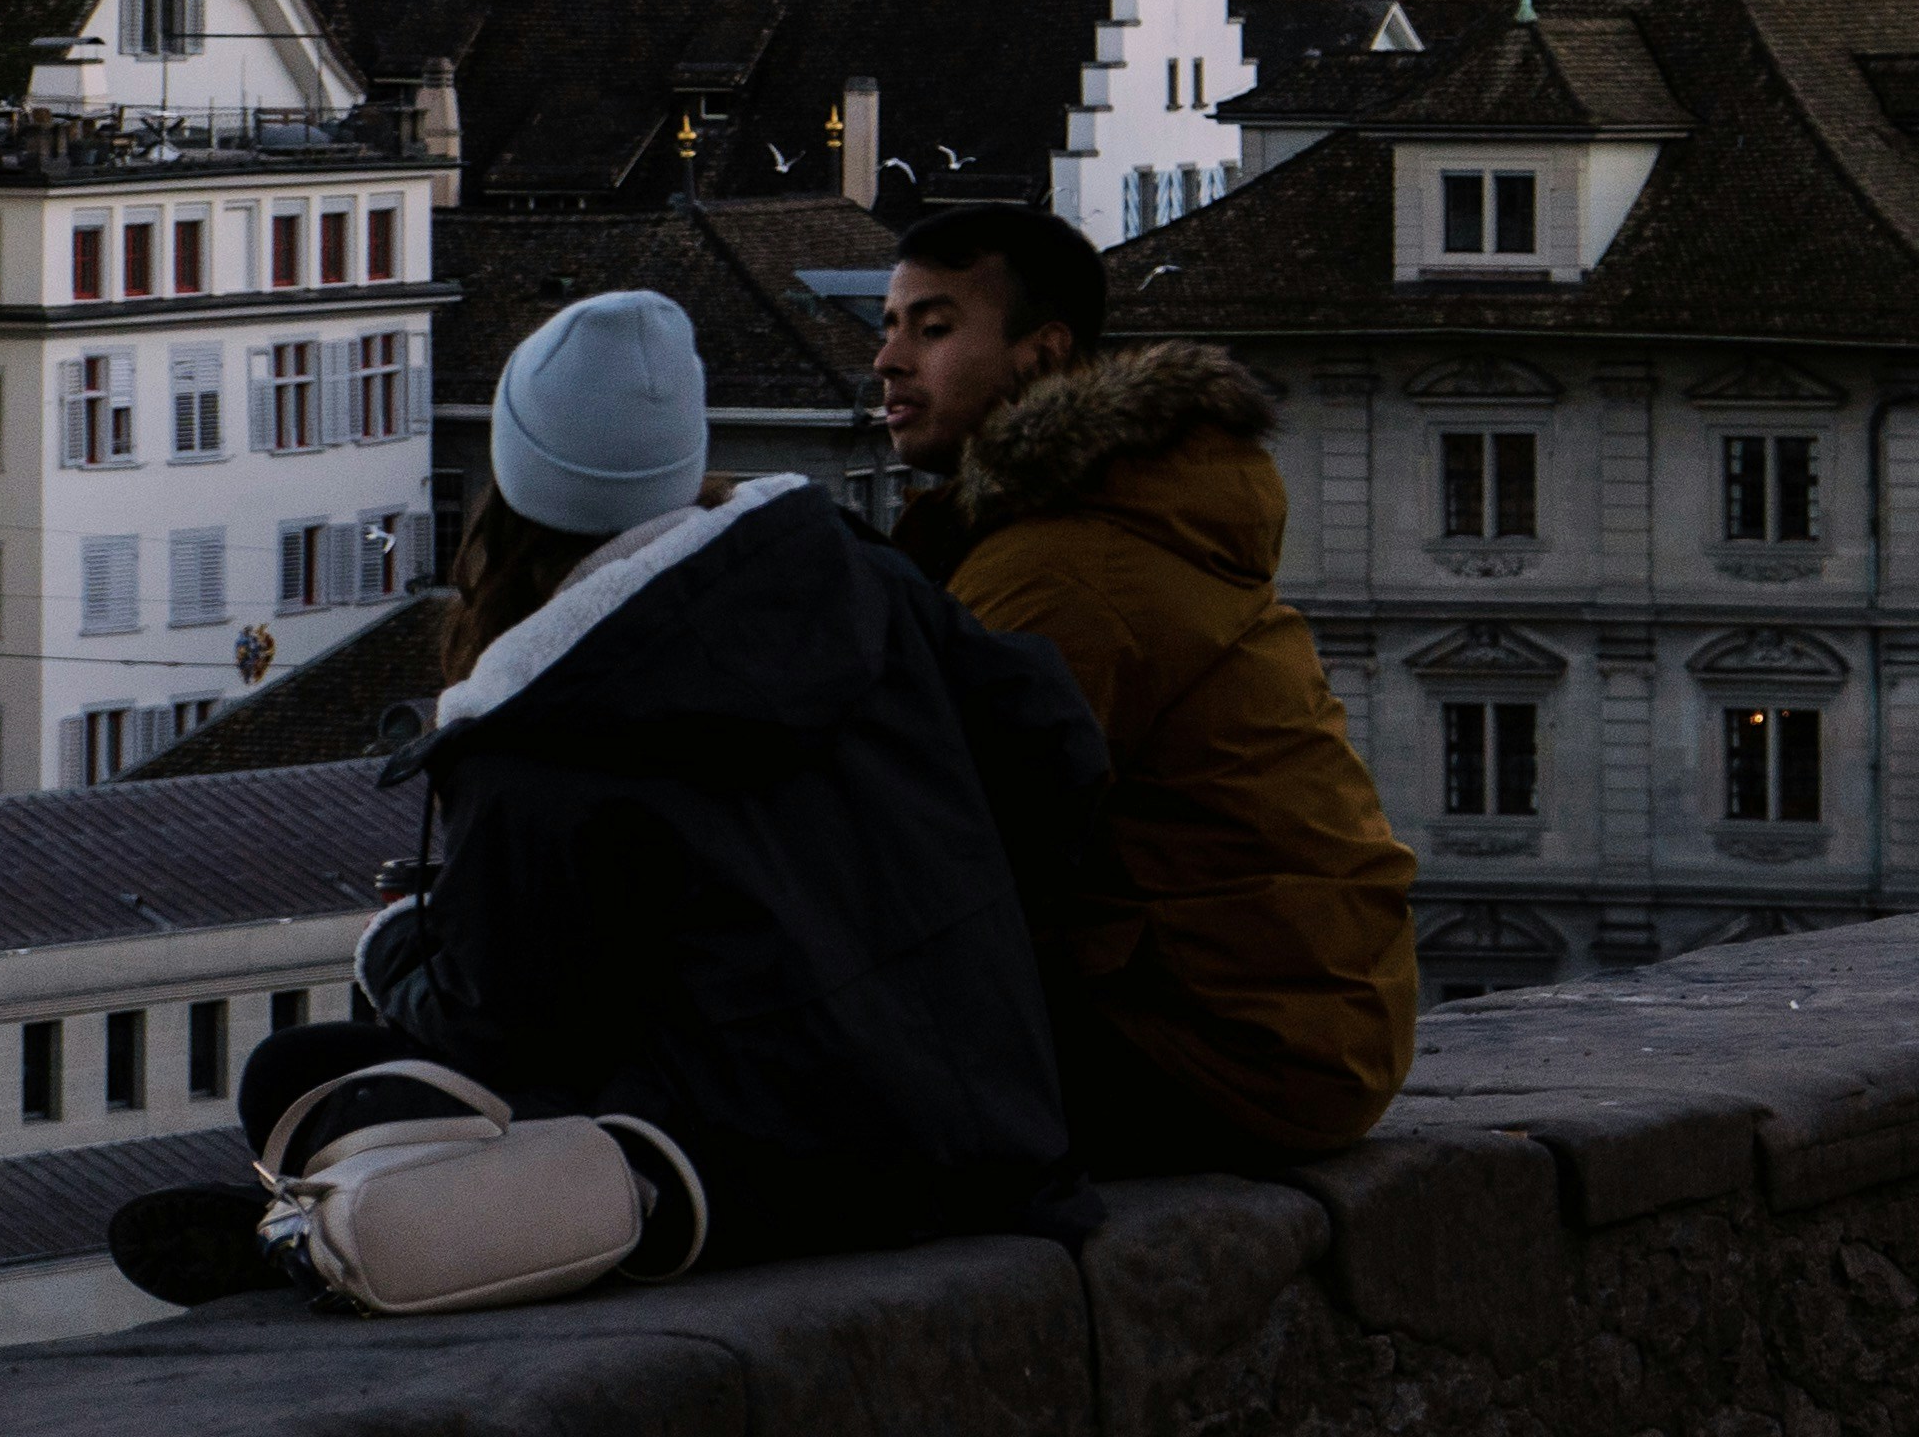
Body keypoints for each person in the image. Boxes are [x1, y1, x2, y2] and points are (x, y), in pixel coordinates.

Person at [110, 290, 1112, 1304]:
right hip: (992, 1116)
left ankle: (341, 1232)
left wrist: (400, 944)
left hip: (761, 1173)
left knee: (298, 1074)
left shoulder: (544, 727)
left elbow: (500, 1025)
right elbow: (1059, 752)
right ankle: (337, 1223)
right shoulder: (864, 580)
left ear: (514, 487)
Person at [877, 201, 1418, 1169]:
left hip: (1231, 1047)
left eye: (934, 327)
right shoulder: (1107, 512)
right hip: (1306, 1024)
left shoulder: (1058, 569)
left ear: (1041, 356)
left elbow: (949, 847)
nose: (889, 360)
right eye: (889, 326)